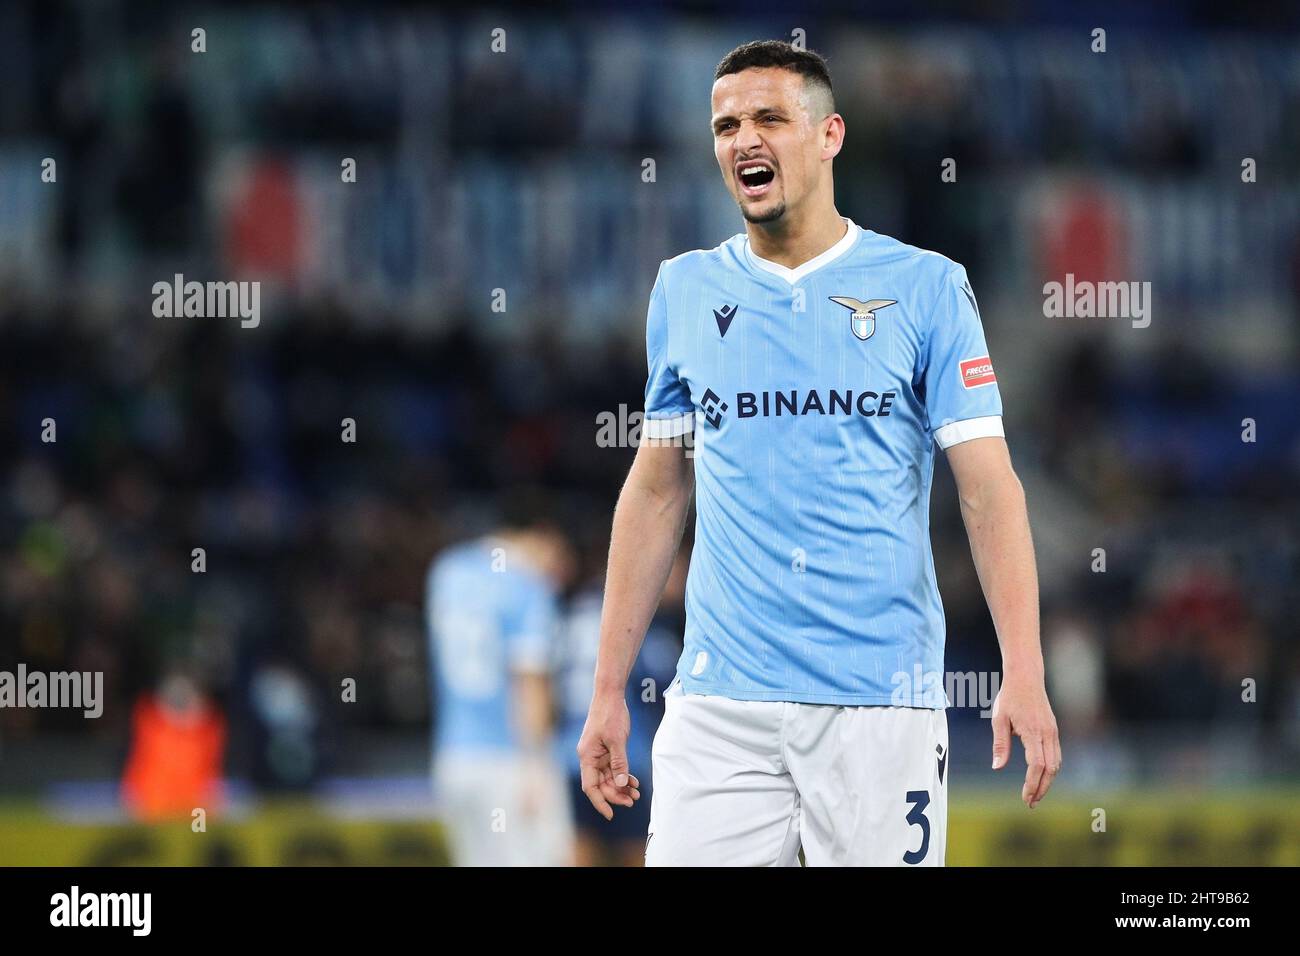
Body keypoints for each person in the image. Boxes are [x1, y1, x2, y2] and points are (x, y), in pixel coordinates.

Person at [577, 39, 1060, 866]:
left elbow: (987, 488)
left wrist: (1025, 668)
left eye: (769, 117)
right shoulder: (684, 290)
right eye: (726, 125)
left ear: (830, 134)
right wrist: (606, 690)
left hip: (881, 702)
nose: (743, 140)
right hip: (719, 704)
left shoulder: (926, 288)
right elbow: (656, 492)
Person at [426, 506, 575, 866]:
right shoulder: (526, 585)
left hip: (453, 756)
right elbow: (530, 684)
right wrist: (537, 764)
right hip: (510, 762)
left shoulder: (447, 571)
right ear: (544, 536)